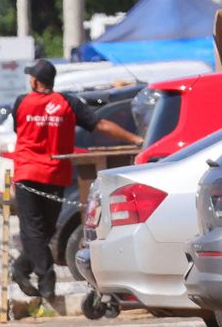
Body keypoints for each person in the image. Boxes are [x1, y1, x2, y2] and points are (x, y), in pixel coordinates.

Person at [9, 60, 142, 301]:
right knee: (42, 230)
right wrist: (135, 138)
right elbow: (99, 124)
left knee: (36, 230)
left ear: (35, 81)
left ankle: (21, 268)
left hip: (28, 173)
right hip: (54, 174)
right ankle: (46, 279)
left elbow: (19, 131)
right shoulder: (68, 103)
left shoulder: (21, 103)